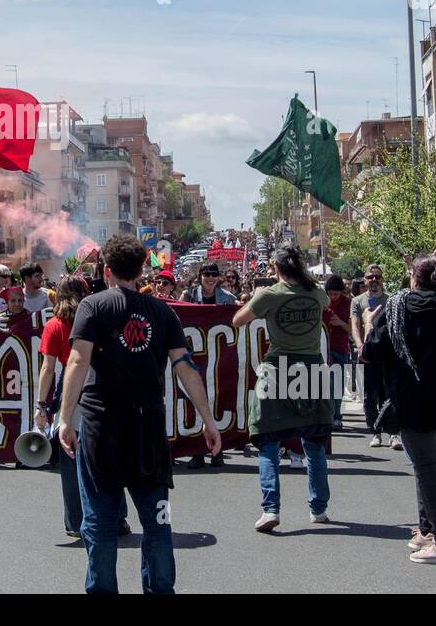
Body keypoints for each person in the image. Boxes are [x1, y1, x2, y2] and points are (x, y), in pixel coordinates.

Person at [58, 234, 220, 594]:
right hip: (148, 428)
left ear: (107, 270)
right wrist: (208, 420)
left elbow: (78, 359)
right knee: (158, 523)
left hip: (103, 428)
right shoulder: (163, 311)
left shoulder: (93, 306)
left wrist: (65, 418)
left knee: (100, 524)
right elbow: (185, 366)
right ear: (141, 270)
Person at [364, 255, 436, 566]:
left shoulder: (399, 306)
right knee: (427, 465)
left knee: (427, 469)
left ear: (415, 279)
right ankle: (427, 530)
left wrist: (370, 324)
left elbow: (373, 351)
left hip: (414, 399)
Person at [234, 246, 332, 532]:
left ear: (276, 268)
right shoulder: (316, 292)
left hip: (278, 368)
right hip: (313, 368)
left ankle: (270, 509)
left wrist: (255, 299)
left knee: (267, 441)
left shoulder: (270, 295)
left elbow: (237, 321)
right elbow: (325, 303)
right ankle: (319, 508)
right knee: (314, 444)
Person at [36, 275, 130, 539]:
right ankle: (118, 518)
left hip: (70, 392)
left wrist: (41, 405)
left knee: (69, 460)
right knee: (108, 458)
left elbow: (48, 368)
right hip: (101, 390)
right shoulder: (97, 319)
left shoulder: (54, 326)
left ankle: (76, 521)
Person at [351, 264, 397, 448]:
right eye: (370, 277)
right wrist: (359, 345)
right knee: (369, 396)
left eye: (377, 277)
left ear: (382, 279)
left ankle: (393, 432)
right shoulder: (357, 301)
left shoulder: (390, 300)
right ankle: (375, 431)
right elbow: (354, 325)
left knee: (389, 393)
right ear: (365, 280)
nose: (374, 280)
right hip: (367, 353)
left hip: (388, 354)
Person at [323, 275, 351, 430]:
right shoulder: (323, 303)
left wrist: (340, 323)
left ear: (342, 292)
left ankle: (337, 415)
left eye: (336, 294)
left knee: (337, 385)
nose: (333, 297)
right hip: (323, 350)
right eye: (330, 293)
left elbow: (353, 330)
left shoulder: (348, 304)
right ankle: (329, 415)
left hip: (340, 348)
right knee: (325, 384)